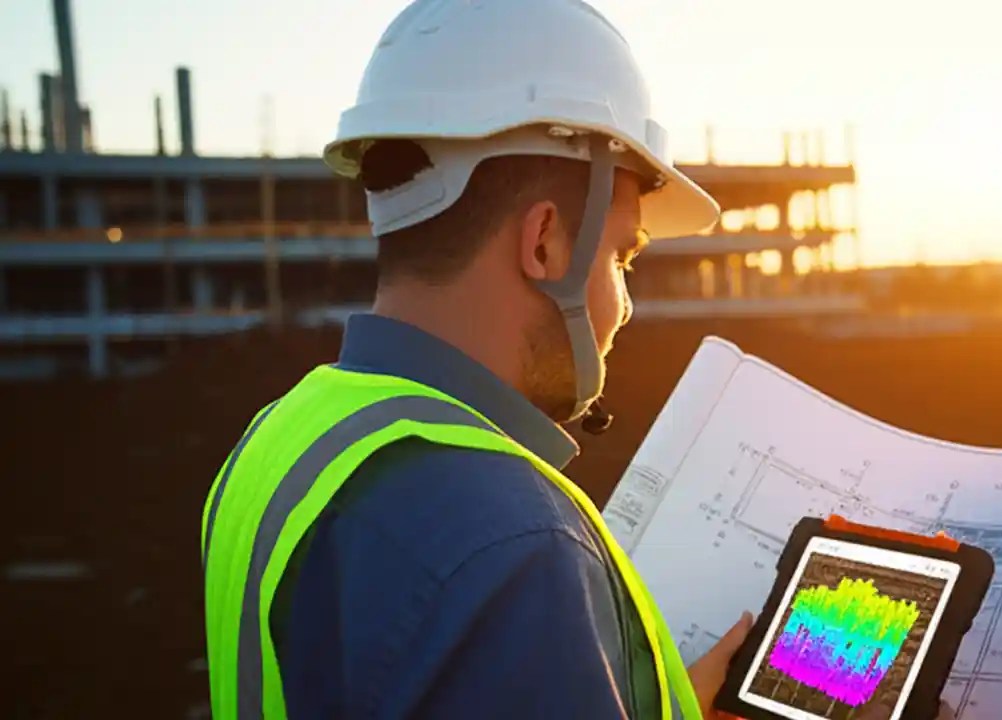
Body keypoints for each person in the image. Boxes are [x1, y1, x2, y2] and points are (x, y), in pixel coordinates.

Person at [200, 0, 752, 718]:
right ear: (546, 243)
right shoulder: (512, 543)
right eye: (623, 257)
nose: (627, 305)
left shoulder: (286, 438)